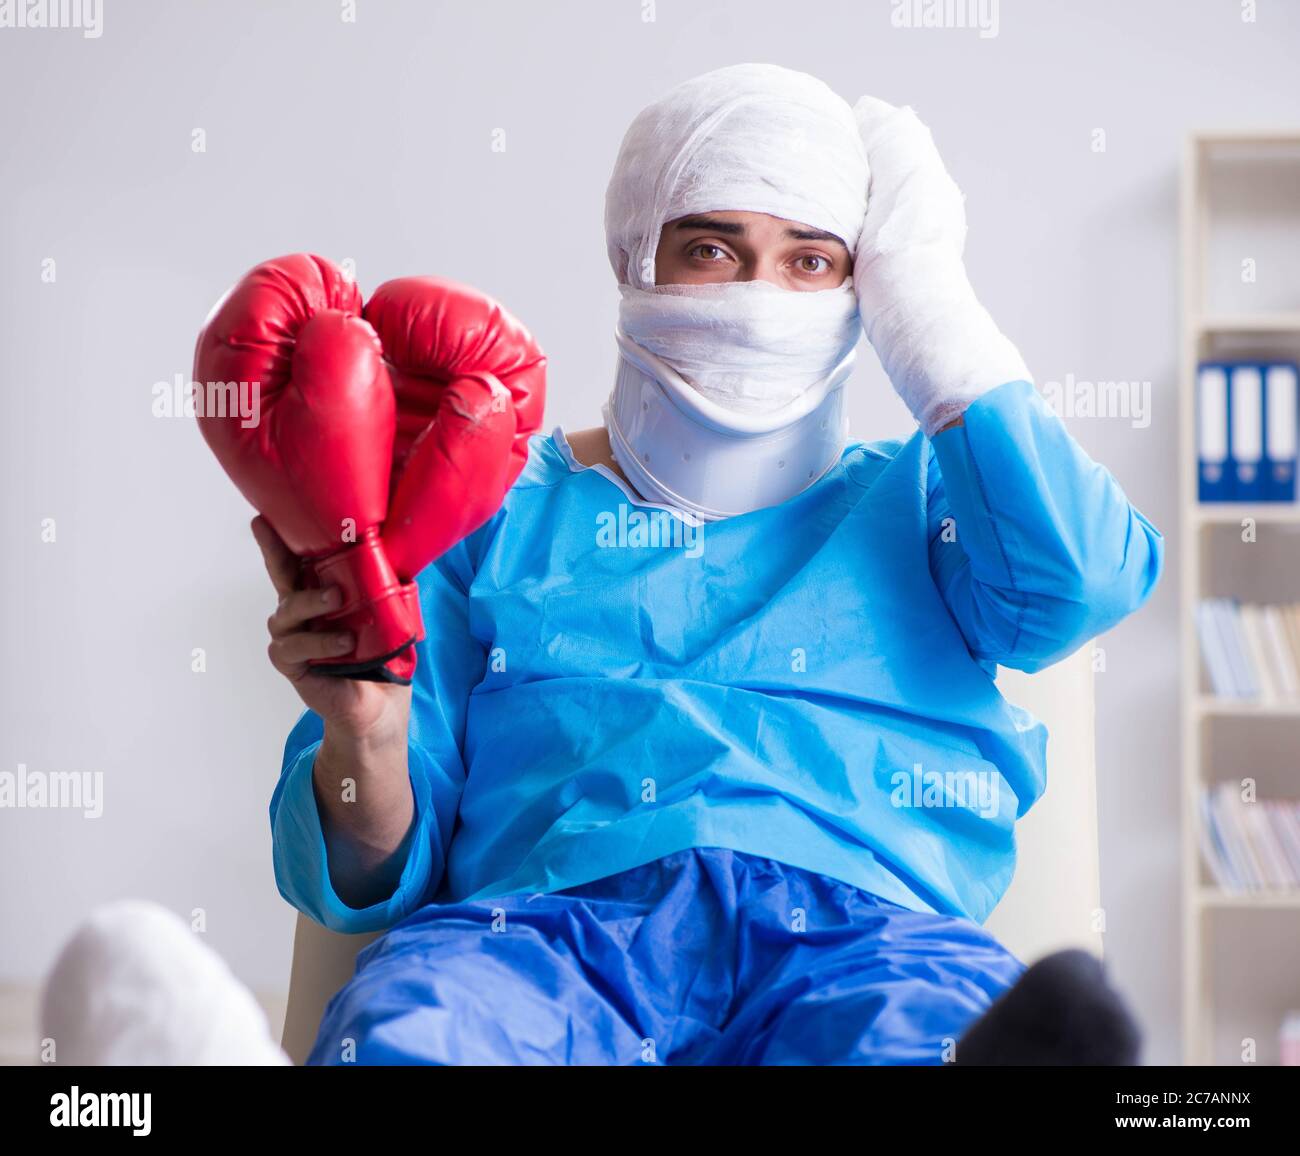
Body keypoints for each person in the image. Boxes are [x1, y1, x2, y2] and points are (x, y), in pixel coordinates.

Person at [45, 63, 1161, 1066]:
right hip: (542, 936)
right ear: (639, 257)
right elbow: (366, 866)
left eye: (811, 262)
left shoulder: (931, 497)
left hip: (866, 941)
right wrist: (365, 736)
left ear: (863, 295)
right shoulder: (484, 490)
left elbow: (1083, 586)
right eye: (713, 249)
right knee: (425, 1031)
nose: (757, 297)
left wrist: (937, 313)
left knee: (920, 1043)